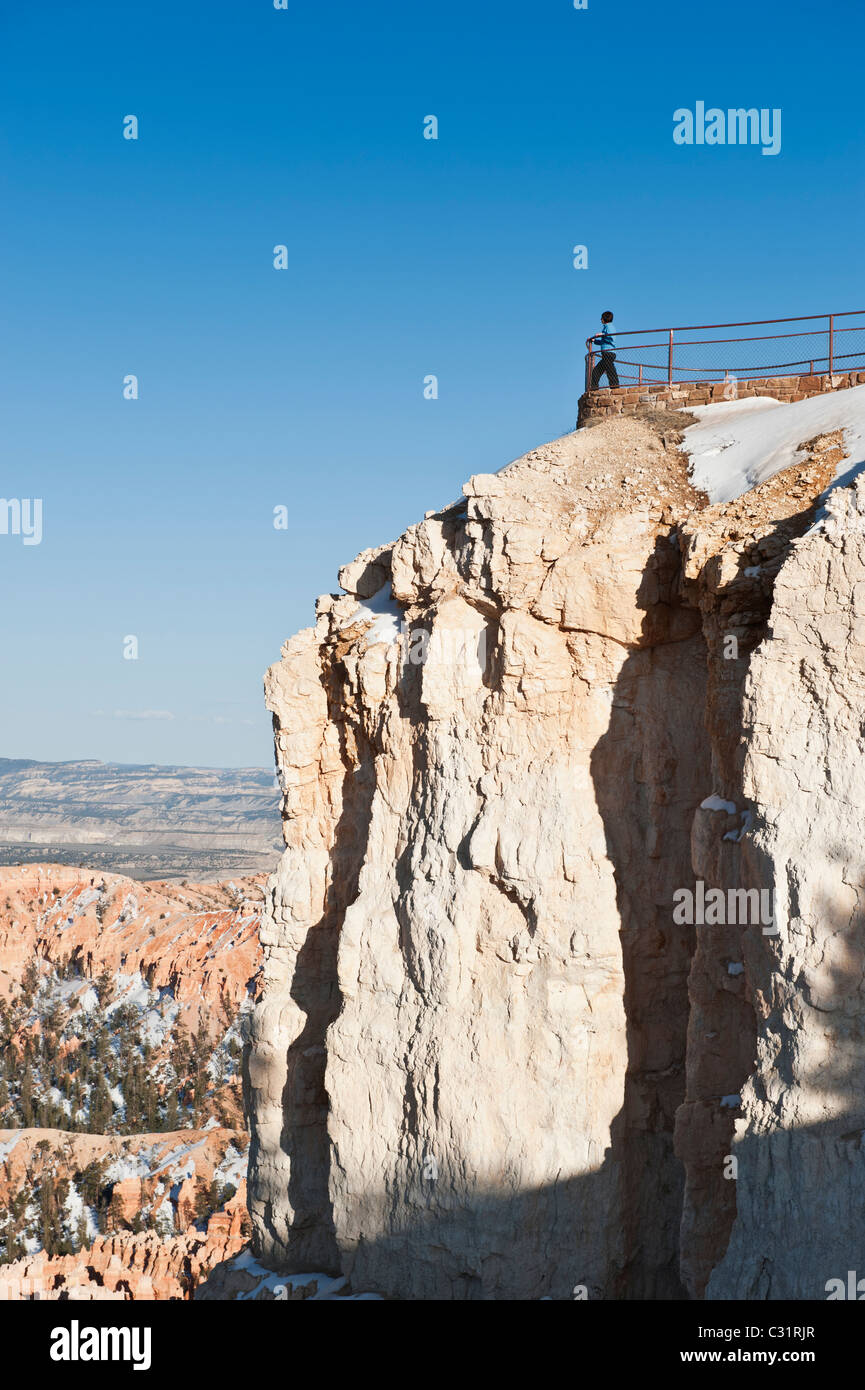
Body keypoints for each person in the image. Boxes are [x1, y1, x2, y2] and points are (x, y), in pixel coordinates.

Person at [590, 311, 619, 388]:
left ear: (604, 318)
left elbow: (612, 337)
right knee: (596, 371)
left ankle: (615, 387)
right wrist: (594, 341)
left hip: (609, 353)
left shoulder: (609, 326)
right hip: (606, 354)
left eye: (601, 318)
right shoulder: (606, 327)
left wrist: (601, 334)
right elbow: (604, 341)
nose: (600, 319)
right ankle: (594, 388)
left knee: (610, 371)